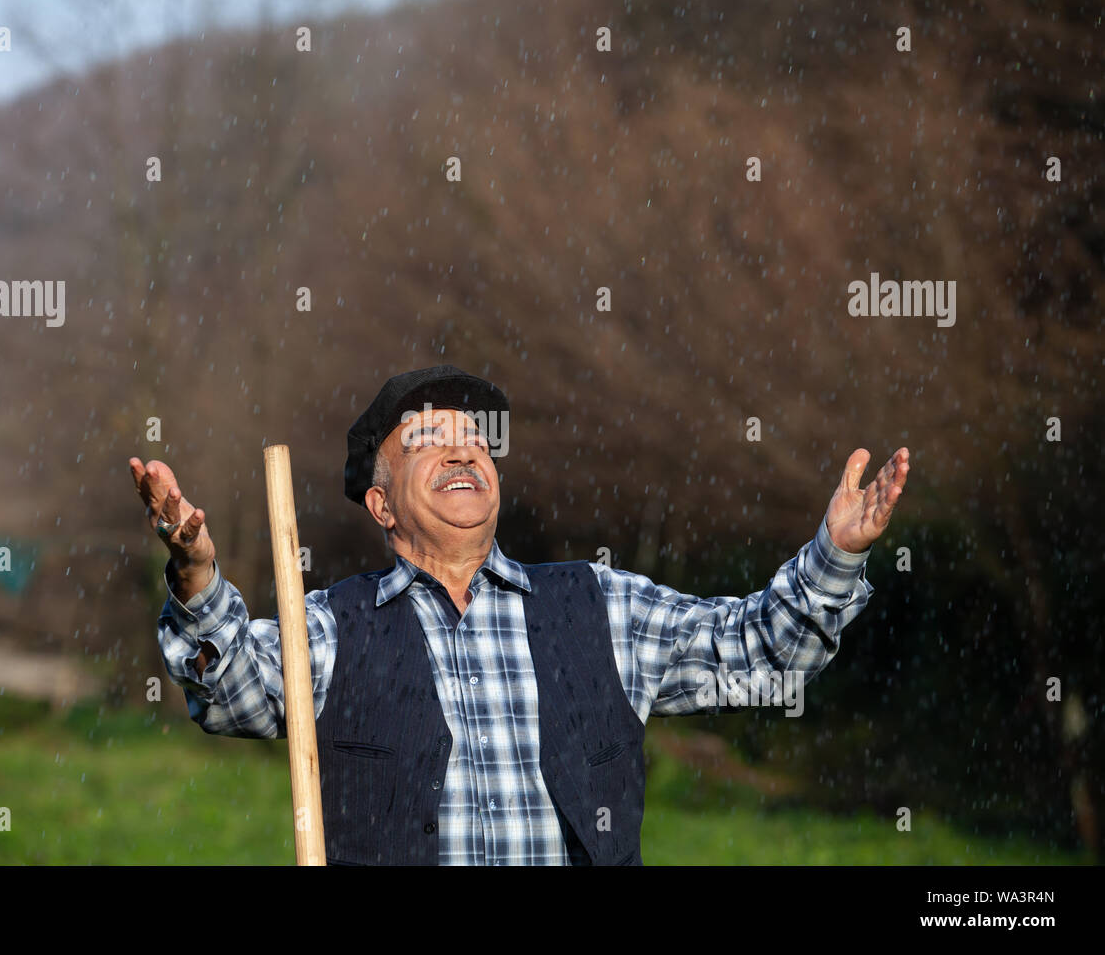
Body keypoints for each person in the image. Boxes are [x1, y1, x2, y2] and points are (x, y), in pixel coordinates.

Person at [129, 365, 910, 865]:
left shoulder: (602, 606)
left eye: (475, 441)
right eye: (429, 442)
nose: (465, 453)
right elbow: (228, 692)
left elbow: (761, 655)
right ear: (381, 504)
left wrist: (835, 555)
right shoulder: (332, 630)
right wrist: (197, 576)